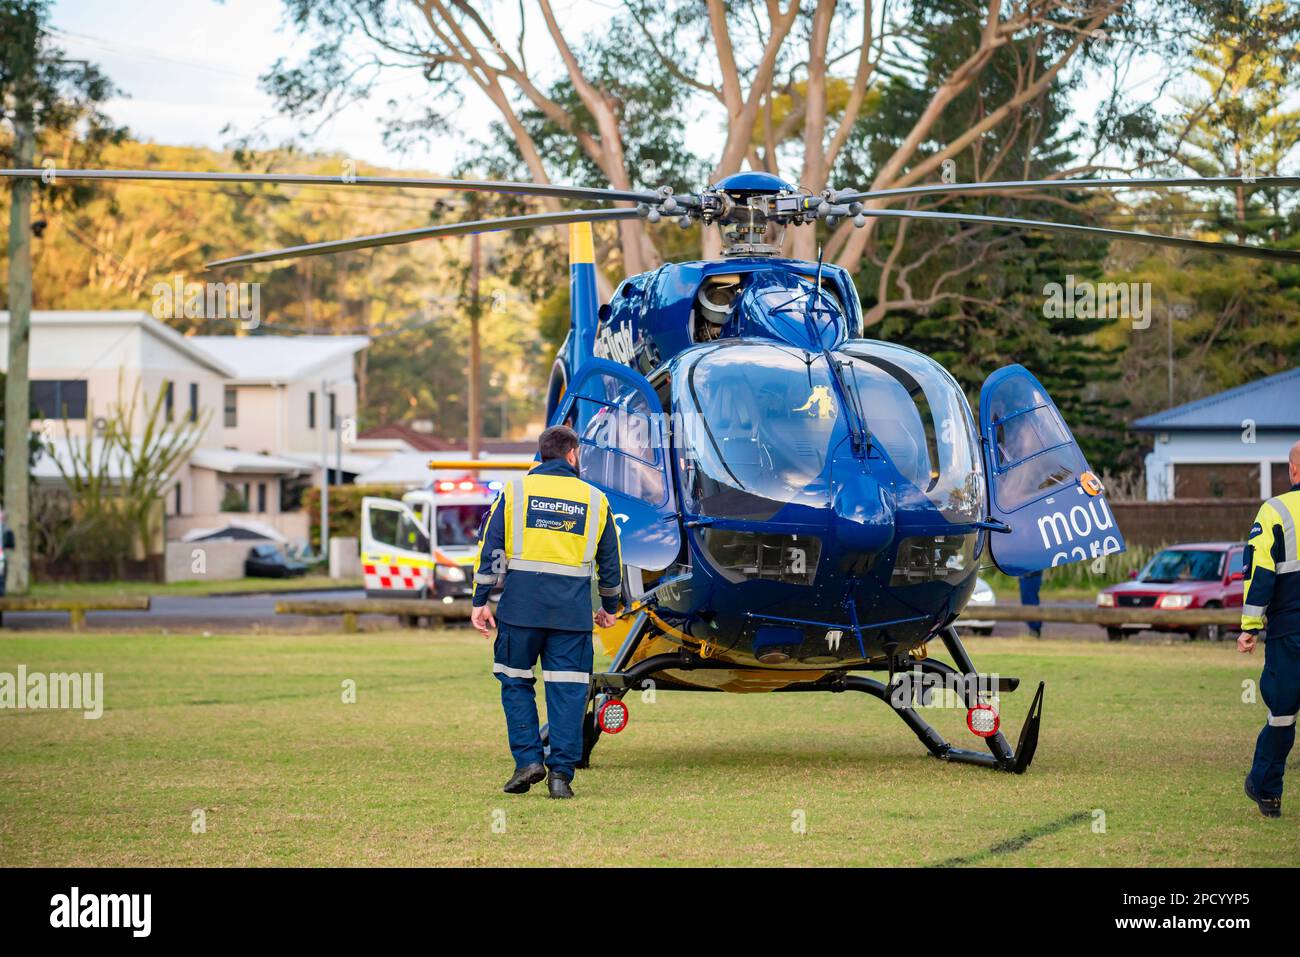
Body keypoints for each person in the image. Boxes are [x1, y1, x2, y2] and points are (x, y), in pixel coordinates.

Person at [470, 425, 622, 799]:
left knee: (515, 681)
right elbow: (610, 561)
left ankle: (528, 762)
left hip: (520, 612)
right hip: (571, 615)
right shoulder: (595, 499)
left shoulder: (515, 492)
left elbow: (491, 549)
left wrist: (480, 600)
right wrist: (609, 607)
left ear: (542, 454)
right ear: (572, 454)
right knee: (568, 691)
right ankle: (560, 777)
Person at [1239, 440, 1300, 819]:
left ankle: (1267, 789)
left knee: (1282, 714)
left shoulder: (1276, 510)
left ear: (1293, 469)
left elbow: (1259, 571)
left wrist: (1250, 626)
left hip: (1290, 633)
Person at [1019, 570, 1043, 638]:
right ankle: (1033, 628)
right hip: (1024, 575)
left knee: (1031, 602)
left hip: (1032, 575)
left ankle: (1035, 629)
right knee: (1026, 602)